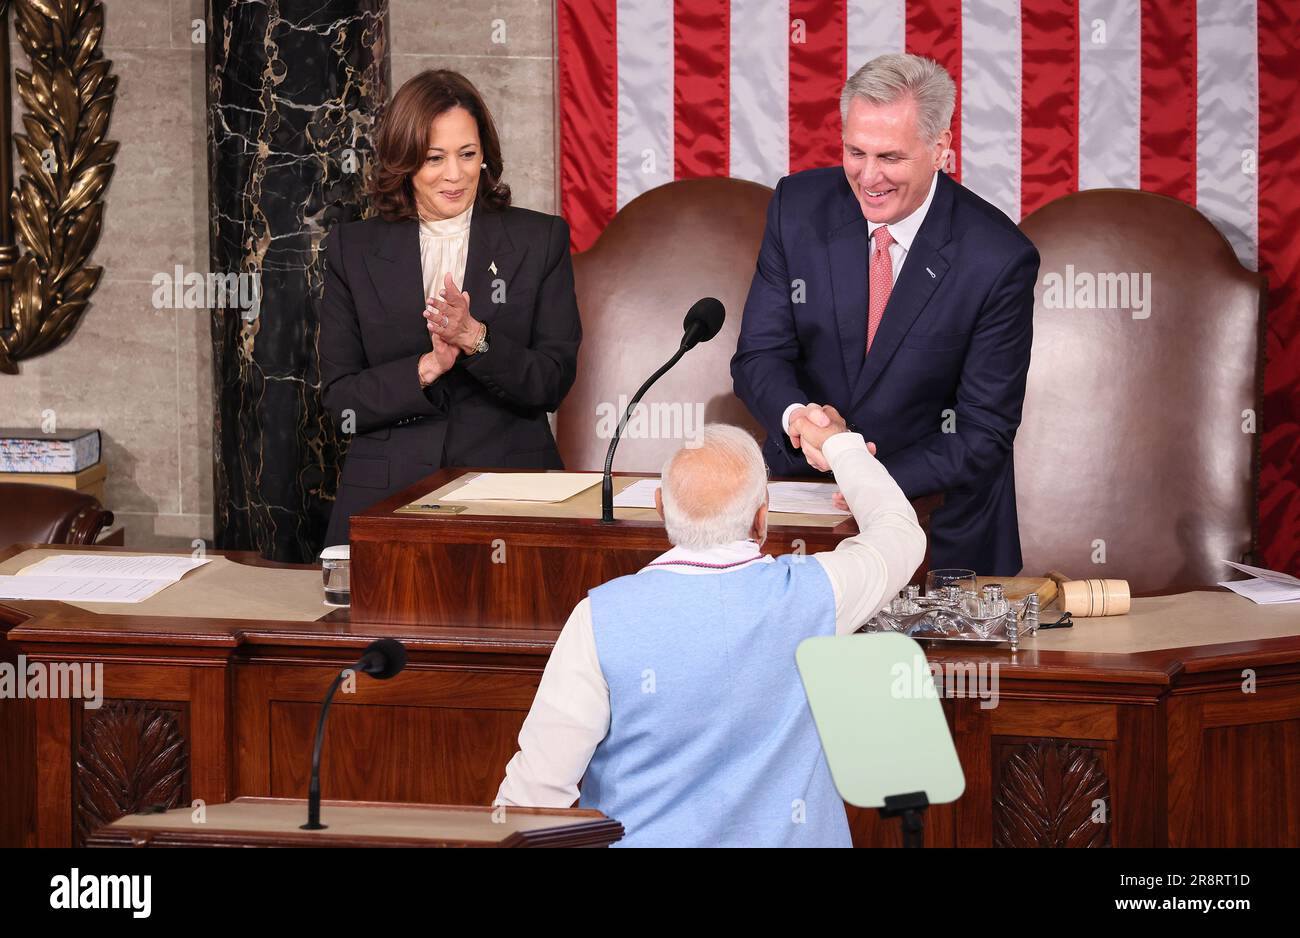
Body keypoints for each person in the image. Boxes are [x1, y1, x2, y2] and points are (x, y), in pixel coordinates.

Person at [495, 416, 925, 847]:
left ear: (661, 506)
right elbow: (899, 532)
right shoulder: (819, 594)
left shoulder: (598, 616)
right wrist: (839, 446)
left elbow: (537, 791)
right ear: (762, 519)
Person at [731, 53, 1040, 575]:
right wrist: (798, 419)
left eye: (891, 158)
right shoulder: (797, 207)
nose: (868, 177)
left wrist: (866, 479)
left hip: (938, 529)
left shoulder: (997, 257)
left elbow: (984, 429)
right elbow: (760, 355)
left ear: (940, 148)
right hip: (806, 512)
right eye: (855, 152)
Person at [320, 69, 582, 546]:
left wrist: (477, 340)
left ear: (485, 155)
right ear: (403, 162)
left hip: (511, 487)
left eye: (468, 155)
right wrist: (426, 367)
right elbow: (341, 400)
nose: (455, 174)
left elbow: (551, 382)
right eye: (434, 158)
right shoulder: (351, 249)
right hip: (387, 491)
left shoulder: (539, 239)